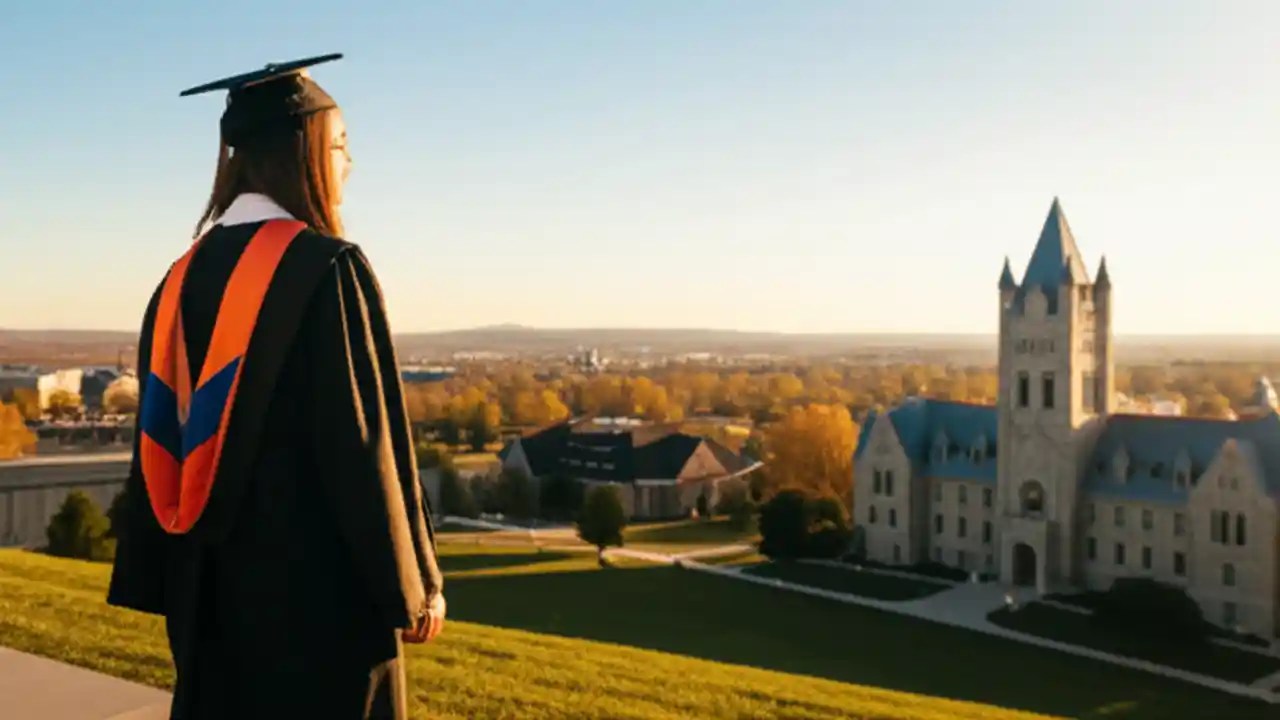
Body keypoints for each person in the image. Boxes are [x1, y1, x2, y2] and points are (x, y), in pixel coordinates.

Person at [107, 54, 445, 720]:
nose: (349, 164)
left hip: (208, 598)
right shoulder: (324, 269)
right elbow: (362, 445)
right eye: (342, 145)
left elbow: (159, 438)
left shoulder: (179, 278)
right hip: (318, 603)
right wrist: (413, 587)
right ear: (306, 150)